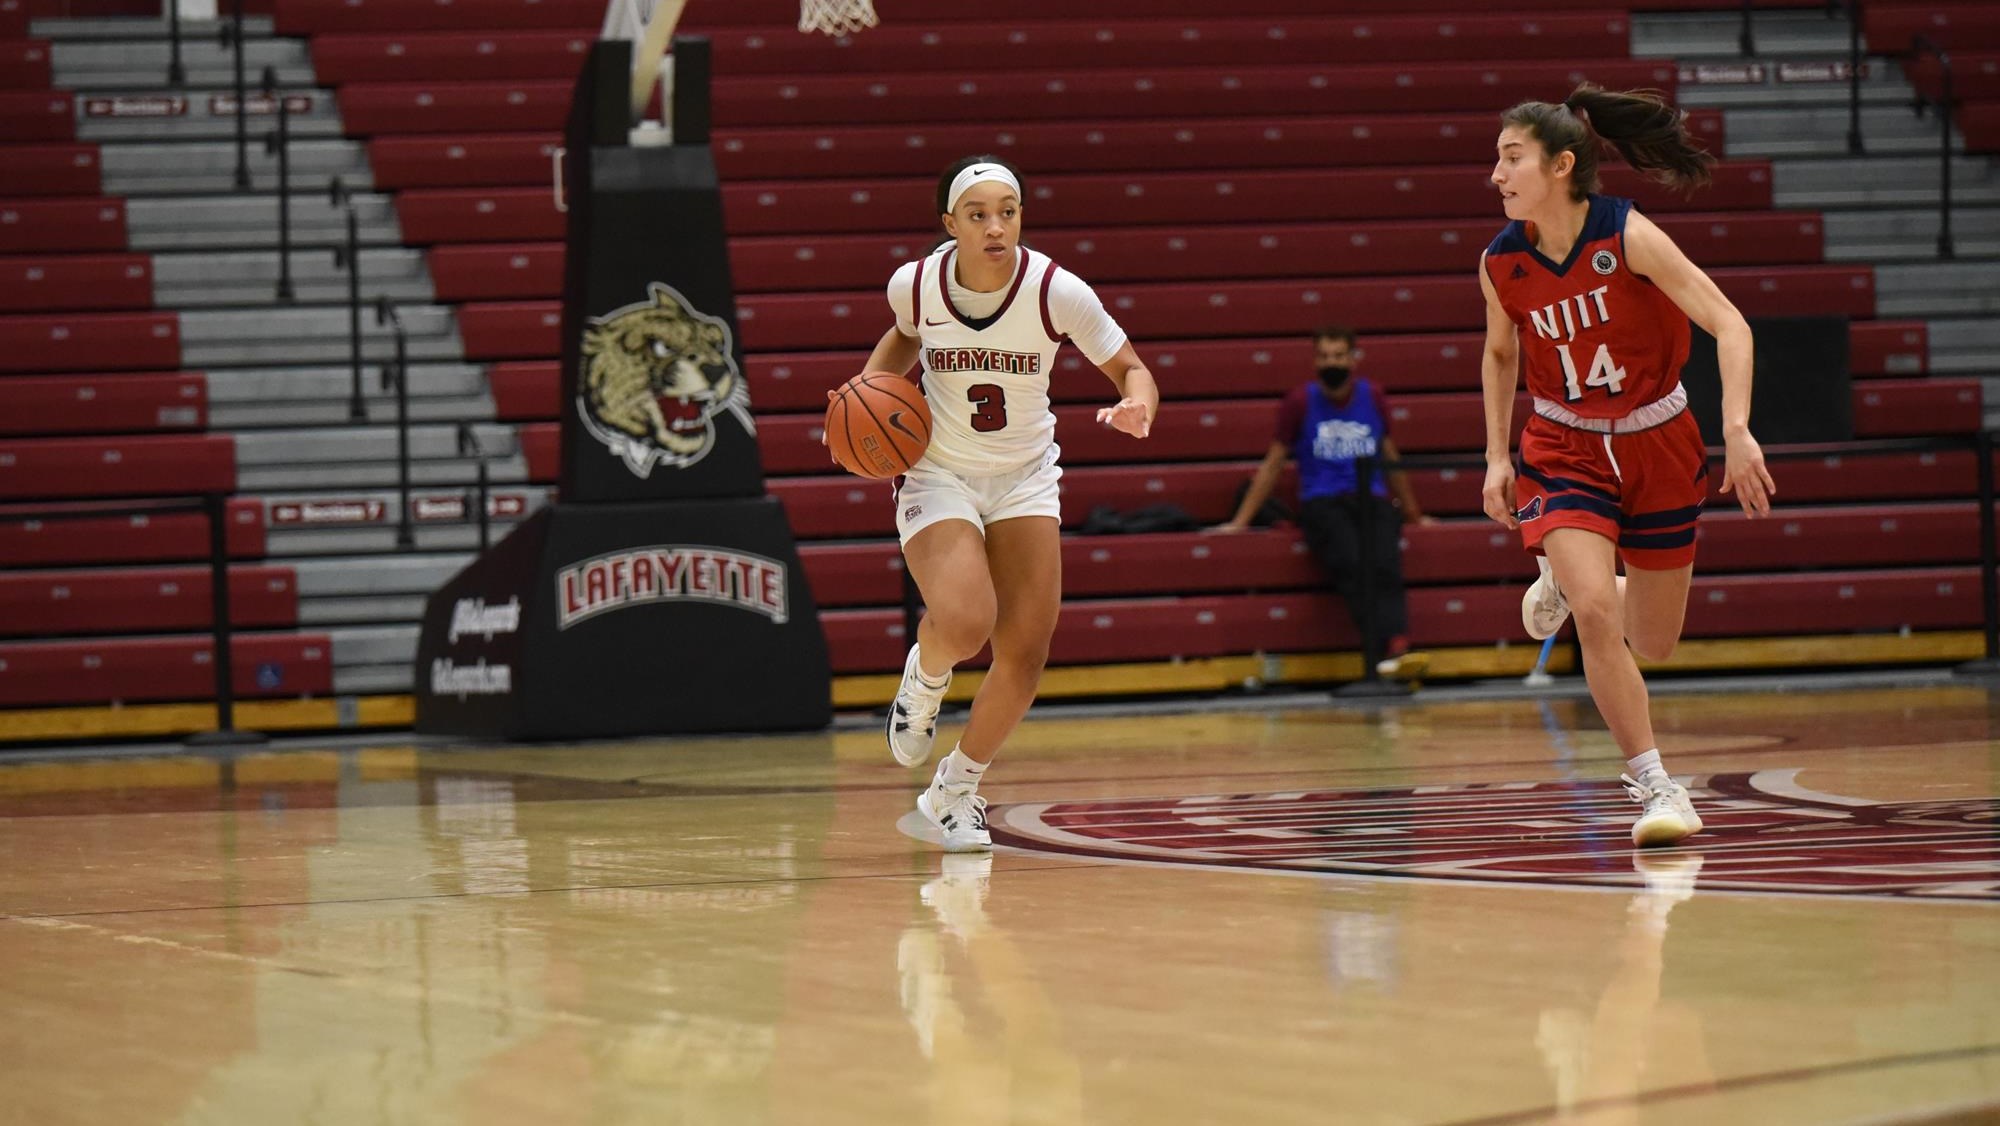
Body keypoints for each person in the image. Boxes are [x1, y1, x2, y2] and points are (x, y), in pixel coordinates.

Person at [1477, 83, 1776, 847]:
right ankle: (1657, 786)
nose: (1497, 175)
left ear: (1562, 165)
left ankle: (1582, 580)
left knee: (1654, 639)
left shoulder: (1628, 236)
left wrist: (1736, 430)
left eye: (1513, 159)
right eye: (1497, 160)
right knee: (1600, 619)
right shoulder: (1501, 263)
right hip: (1564, 444)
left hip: (1659, 439)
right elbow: (1501, 352)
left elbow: (1730, 323)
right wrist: (1495, 456)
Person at [846, 155, 1158, 852]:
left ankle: (956, 789)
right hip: (940, 471)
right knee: (964, 623)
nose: (996, 227)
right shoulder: (916, 285)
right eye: (979, 214)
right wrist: (867, 392)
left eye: (1008, 212)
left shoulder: (1056, 291)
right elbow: (905, 333)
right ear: (949, 224)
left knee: (1025, 650)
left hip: (1023, 476)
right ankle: (924, 679)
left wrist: (1137, 402)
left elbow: (1130, 366)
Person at [1211, 326, 1436, 679]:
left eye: (1339, 355)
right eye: (1325, 356)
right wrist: (1240, 522)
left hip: (1371, 500)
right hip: (1323, 503)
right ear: (1315, 361)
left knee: (1385, 563)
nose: (1333, 362)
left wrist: (1414, 515)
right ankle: (1386, 650)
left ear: (1353, 358)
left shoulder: (1373, 396)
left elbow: (1391, 457)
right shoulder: (1299, 402)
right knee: (1351, 561)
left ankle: (1395, 647)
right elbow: (1273, 463)